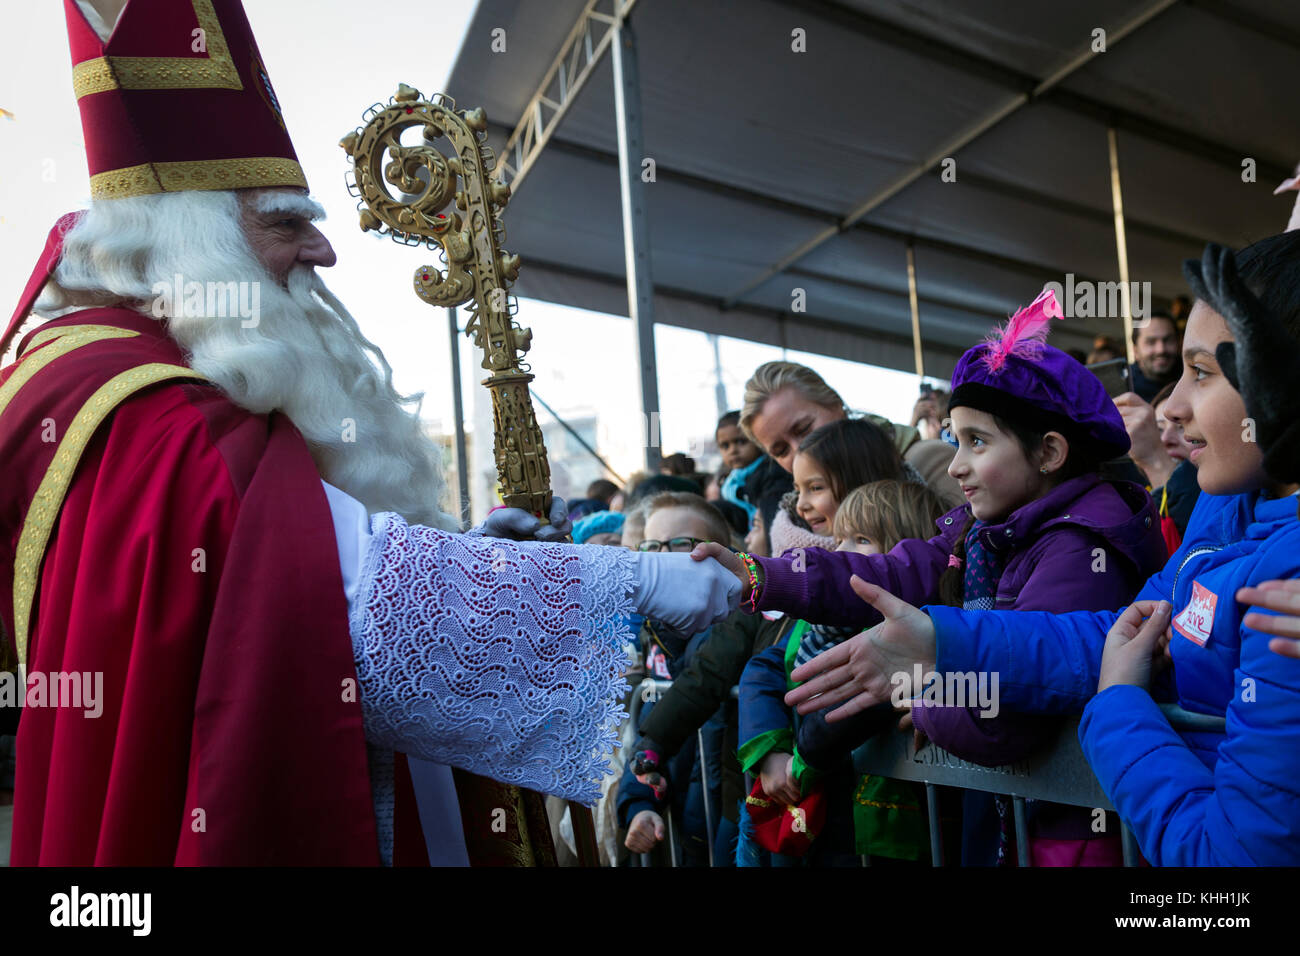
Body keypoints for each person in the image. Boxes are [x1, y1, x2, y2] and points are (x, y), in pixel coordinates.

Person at [0, 0, 739, 867]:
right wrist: (634, 580)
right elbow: (341, 611)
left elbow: (314, 565)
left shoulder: (93, 366)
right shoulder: (146, 409)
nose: (322, 251)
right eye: (284, 221)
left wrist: (475, 551)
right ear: (190, 237)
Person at [781, 237, 1300, 865]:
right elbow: (1115, 636)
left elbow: (1230, 868)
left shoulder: (1283, 576)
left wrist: (1117, 708)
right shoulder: (1226, 509)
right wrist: (944, 645)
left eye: (1201, 372)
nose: (1173, 403)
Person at [699, 288, 1167, 865]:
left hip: (1072, 839)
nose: (955, 466)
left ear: (1048, 452)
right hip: (1008, 825)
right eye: (954, 440)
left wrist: (921, 696)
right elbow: (885, 572)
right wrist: (761, 575)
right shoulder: (976, 531)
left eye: (977, 442)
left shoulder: (1080, 546)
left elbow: (1006, 717)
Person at [739, 478, 944, 866]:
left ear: (905, 560)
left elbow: (848, 710)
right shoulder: (814, 625)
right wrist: (770, 753)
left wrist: (800, 762)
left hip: (876, 822)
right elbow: (763, 670)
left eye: (862, 540)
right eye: (841, 538)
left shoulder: (906, 636)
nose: (841, 552)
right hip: (810, 807)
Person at [716, 410, 765, 521]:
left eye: (741, 442)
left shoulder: (769, 473)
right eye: (725, 446)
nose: (733, 450)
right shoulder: (727, 481)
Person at [1128, 313, 1182, 402]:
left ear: (1179, 344)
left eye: (1168, 340)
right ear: (1136, 351)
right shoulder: (1122, 390)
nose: (1161, 350)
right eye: (1151, 342)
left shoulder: (1195, 378)